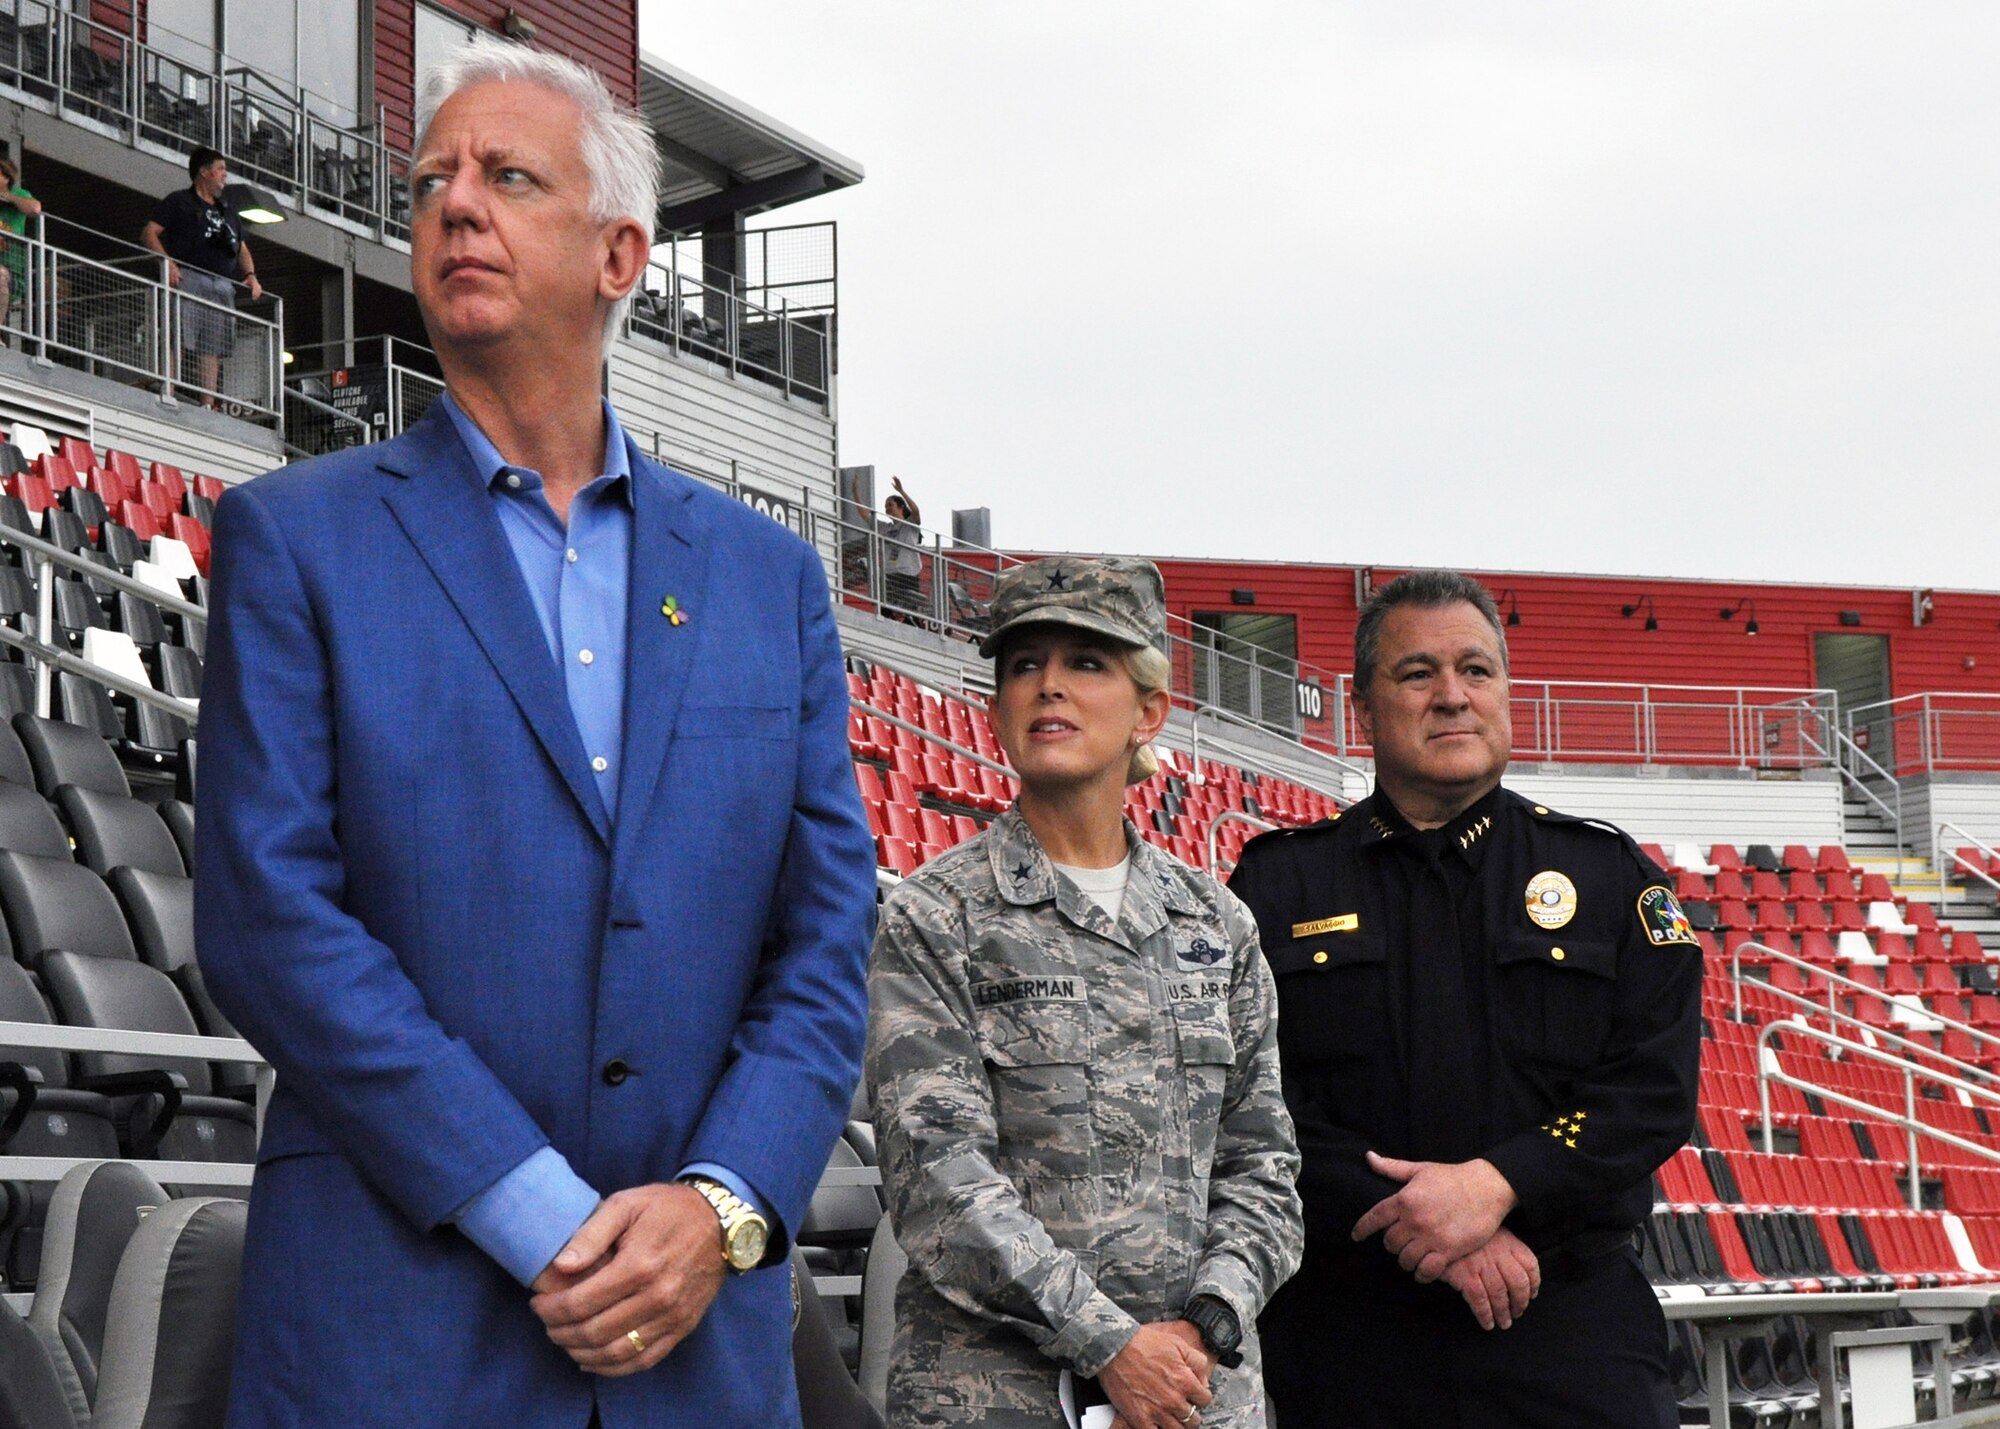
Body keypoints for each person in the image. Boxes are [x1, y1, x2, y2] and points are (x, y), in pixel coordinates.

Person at [195, 40, 877, 1427]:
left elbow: (823, 943)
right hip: (393, 1337)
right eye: (434, 178)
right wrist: (533, 1206)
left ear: (621, 255)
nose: (455, 204)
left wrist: (723, 1203)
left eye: (509, 177)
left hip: (697, 1350)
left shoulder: (768, 580)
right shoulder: (296, 540)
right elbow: (270, 919)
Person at [1227, 570, 1702, 1428]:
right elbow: (1250, 1101)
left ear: (1507, 695)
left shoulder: (1609, 877)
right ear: (1365, 713)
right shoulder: (1275, 885)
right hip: (1351, 1335)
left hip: (1567, 1325)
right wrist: (1427, 1228)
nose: (1452, 696)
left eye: (1477, 671)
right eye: (1418, 673)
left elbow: (1651, 1090)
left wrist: (1499, 1184)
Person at [867, 556, 1303, 1429]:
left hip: (1197, 1393)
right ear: (993, 709)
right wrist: (1110, 1342)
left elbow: (1265, 1165)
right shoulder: (936, 914)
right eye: (1023, 665)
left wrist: (1210, 1318)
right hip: (996, 1397)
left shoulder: (1216, 922)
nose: (1048, 686)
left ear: (1149, 712)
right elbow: (938, 1174)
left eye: (1086, 662)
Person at [140, 146, 262, 408]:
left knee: (213, 344)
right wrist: (167, 262)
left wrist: (250, 275)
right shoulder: (179, 201)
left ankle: (208, 403)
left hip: (222, 284)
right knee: (179, 335)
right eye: (220, 170)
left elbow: (242, 248)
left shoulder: (228, 211)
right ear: (203, 172)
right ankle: (169, 392)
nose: (224, 176)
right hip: (190, 277)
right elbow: (149, 232)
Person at [858, 475, 923, 620]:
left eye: (890, 504)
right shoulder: (885, 528)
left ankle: (911, 622)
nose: (887, 508)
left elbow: (916, 511)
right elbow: (865, 516)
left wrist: (901, 491)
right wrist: (856, 493)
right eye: (886, 505)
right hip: (891, 573)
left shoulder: (909, 525)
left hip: (908, 573)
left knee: (910, 613)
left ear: (900, 507)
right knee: (883, 605)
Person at [0, 158, 42, 339]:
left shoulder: (18, 194)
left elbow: (35, 209)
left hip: (10, 271)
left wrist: (7, 196)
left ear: (6, 177)